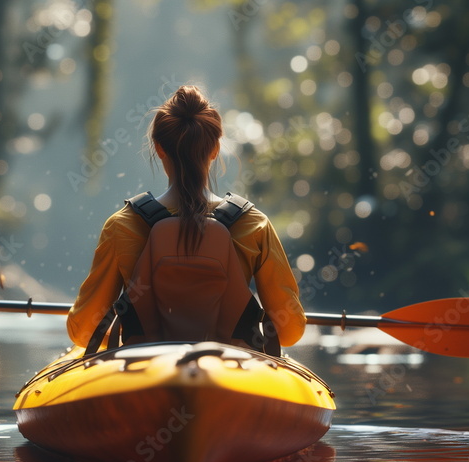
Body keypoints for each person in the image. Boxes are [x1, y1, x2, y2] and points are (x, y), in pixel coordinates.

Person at [66, 85, 305, 350]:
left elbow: (85, 332)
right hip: (234, 373)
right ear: (214, 149)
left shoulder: (122, 226)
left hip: (143, 372)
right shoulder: (253, 224)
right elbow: (290, 330)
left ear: (159, 148)